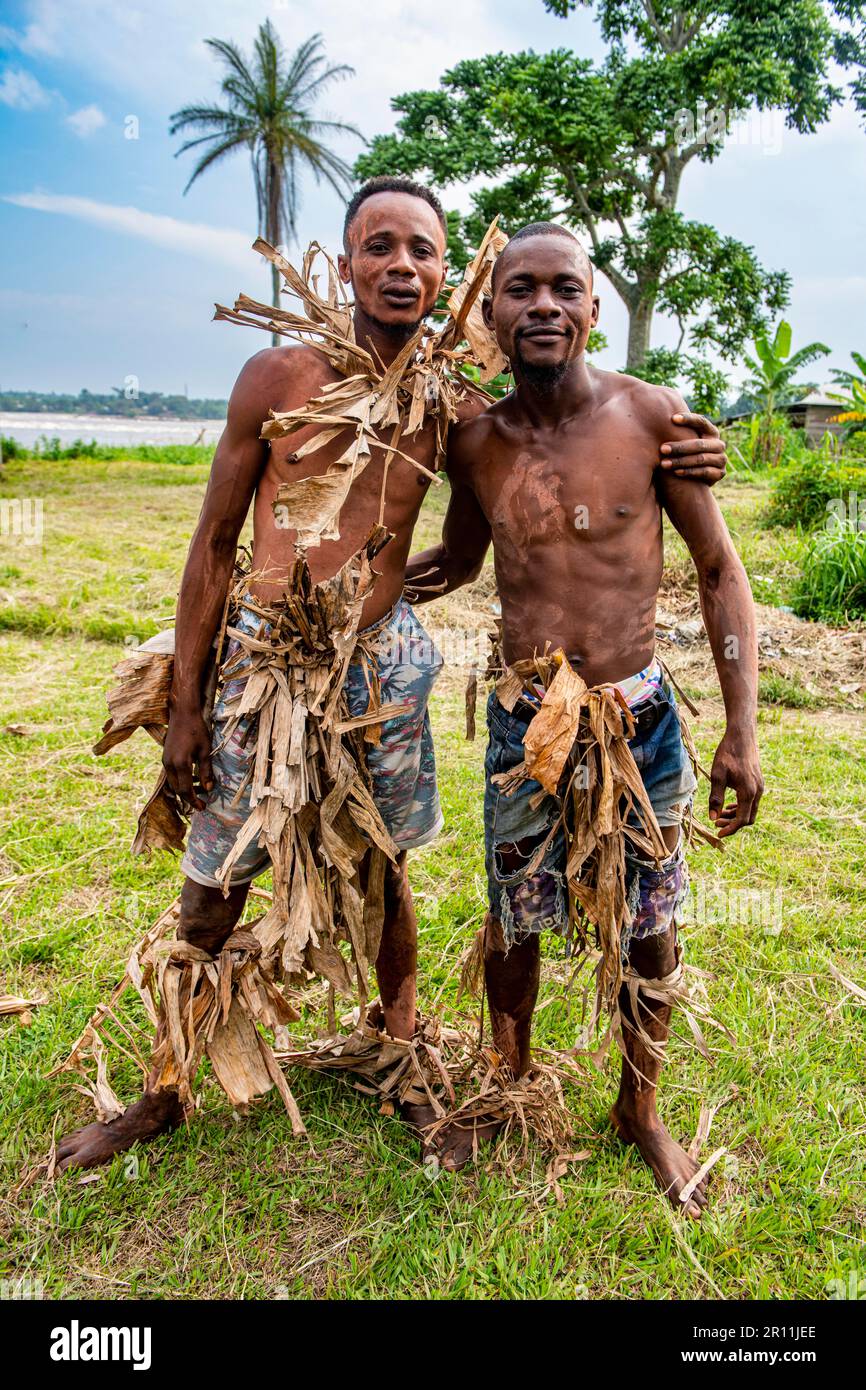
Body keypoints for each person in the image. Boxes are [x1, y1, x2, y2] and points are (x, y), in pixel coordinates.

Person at [55, 188, 729, 1173]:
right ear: (345, 263)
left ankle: (402, 1048)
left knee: (384, 870)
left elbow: (536, 440)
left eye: (422, 250)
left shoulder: (453, 405)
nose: (401, 265)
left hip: (381, 671)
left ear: (446, 275)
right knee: (212, 889)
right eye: (380, 247)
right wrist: (189, 702)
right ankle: (161, 1091)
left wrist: (685, 438)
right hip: (260, 672)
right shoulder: (274, 375)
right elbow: (211, 544)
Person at [406, 223, 763, 1216]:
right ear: (492, 311)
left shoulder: (653, 418)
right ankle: (508, 1080)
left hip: (636, 718)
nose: (543, 307)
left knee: (651, 928)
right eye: (520, 289)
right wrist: (350, 594)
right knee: (513, 918)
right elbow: (458, 562)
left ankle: (637, 1107)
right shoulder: (474, 440)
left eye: (565, 288)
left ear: (592, 309)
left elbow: (718, 569)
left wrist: (740, 725)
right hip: (529, 725)